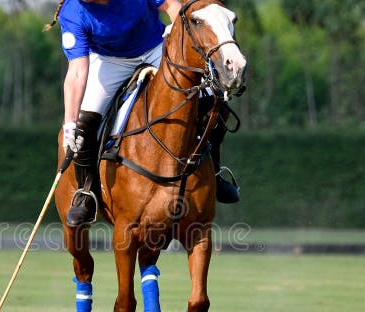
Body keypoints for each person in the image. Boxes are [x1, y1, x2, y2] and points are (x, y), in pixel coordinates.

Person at [46, 0, 239, 228]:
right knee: (84, 126)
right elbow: (77, 71)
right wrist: (69, 123)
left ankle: (214, 171)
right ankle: (87, 192)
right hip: (110, 61)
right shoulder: (73, 11)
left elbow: (172, 7)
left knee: (213, 101)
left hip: (156, 48)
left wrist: (176, 32)